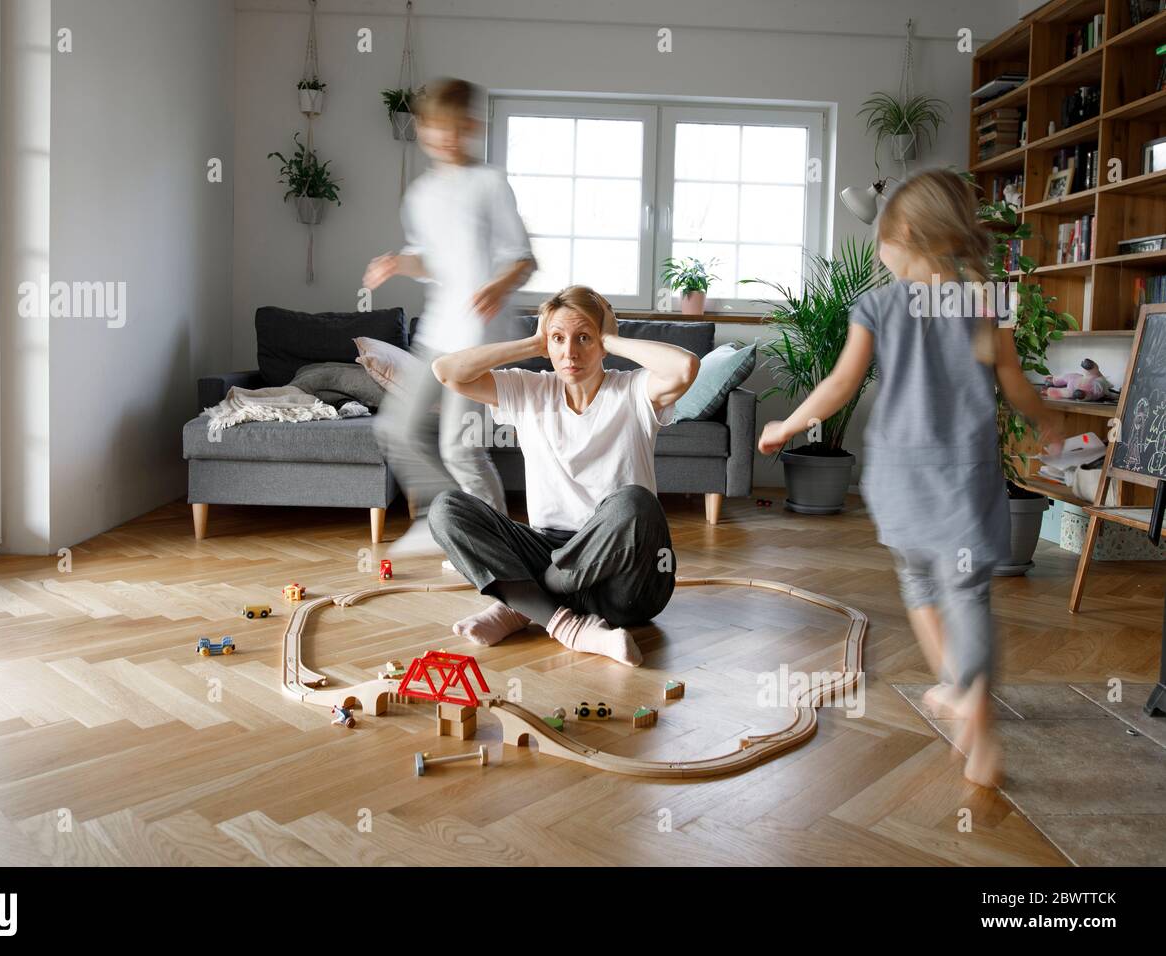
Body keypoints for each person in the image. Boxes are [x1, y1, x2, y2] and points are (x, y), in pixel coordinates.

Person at [757, 169, 1062, 787]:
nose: (879, 255)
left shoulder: (879, 305)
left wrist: (788, 424)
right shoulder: (984, 303)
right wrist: (1047, 421)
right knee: (969, 593)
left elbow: (842, 384)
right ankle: (971, 706)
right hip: (966, 479)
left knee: (918, 582)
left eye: (882, 241)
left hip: (901, 477)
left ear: (905, 235)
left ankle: (959, 693)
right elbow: (1014, 384)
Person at [427, 285, 699, 666]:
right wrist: (534, 342)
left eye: (584, 338)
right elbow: (446, 372)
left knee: (635, 503)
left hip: (626, 580)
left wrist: (611, 338)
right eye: (559, 339)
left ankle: (526, 604)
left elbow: (685, 367)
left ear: (602, 343)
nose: (569, 352)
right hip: (550, 550)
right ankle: (566, 625)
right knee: (446, 509)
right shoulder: (528, 390)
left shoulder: (634, 390)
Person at [363, 77, 536, 555]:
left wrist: (498, 286)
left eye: (457, 128)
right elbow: (429, 263)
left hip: (481, 337)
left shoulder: (489, 183)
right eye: (438, 127)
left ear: (473, 127)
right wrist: (400, 262)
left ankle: (500, 548)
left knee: (461, 447)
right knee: (393, 429)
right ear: (422, 128)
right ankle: (445, 519)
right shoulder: (419, 195)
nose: (447, 138)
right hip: (438, 335)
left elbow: (523, 258)